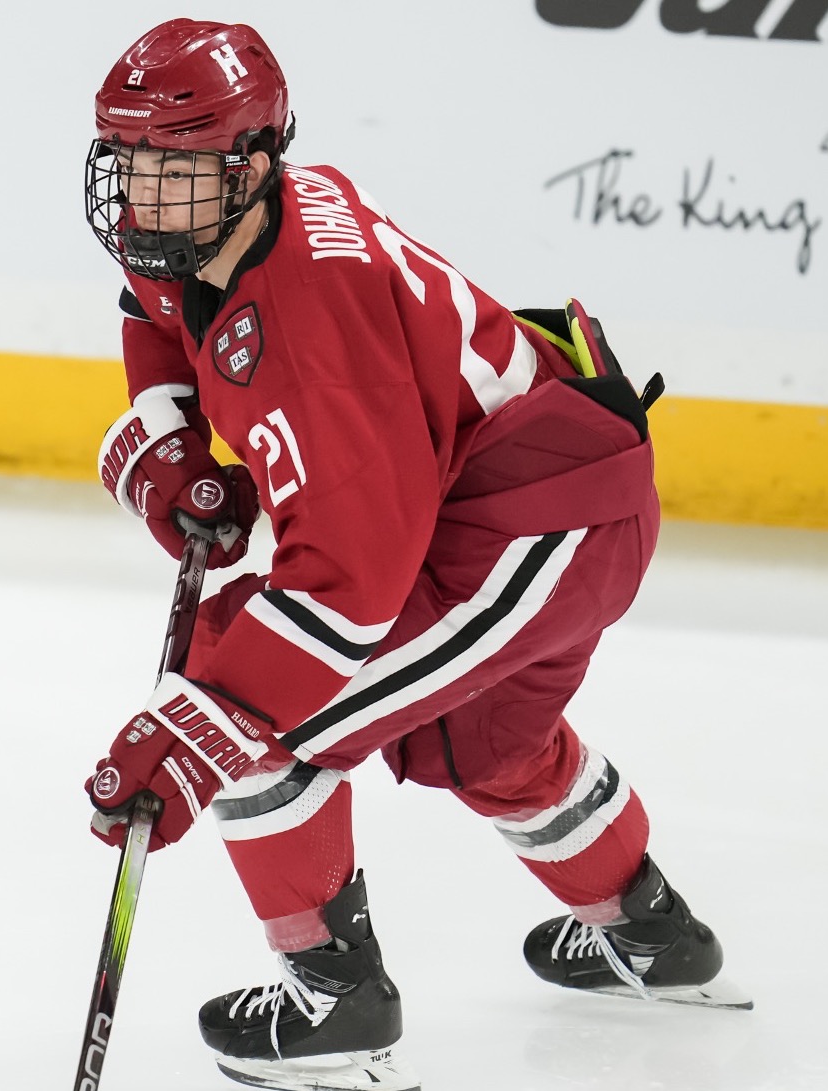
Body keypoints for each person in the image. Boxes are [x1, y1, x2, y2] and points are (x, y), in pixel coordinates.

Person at [80, 18, 744, 1091]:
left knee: (242, 696)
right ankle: (652, 931)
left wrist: (201, 729)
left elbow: (347, 589)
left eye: (175, 168)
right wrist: (170, 436)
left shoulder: (314, 329)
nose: (144, 198)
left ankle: (334, 999)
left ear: (252, 164)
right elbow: (157, 308)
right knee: (484, 741)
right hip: (539, 495)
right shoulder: (226, 222)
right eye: (129, 161)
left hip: (531, 533)